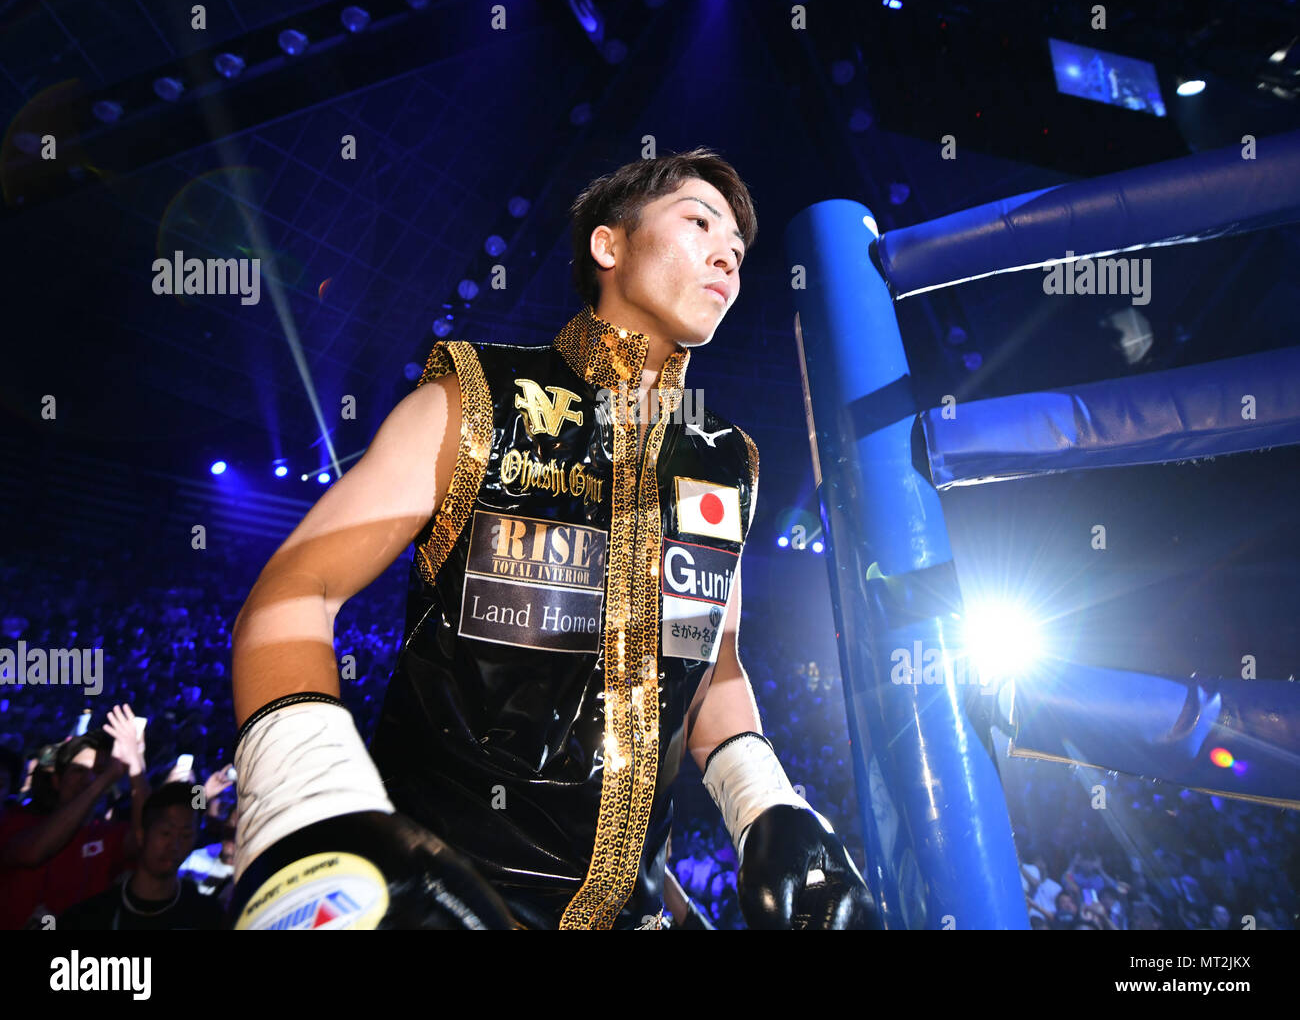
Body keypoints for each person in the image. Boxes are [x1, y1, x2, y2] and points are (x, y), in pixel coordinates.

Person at [228, 147, 879, 930]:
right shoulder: (476, 399)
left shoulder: (725, 462)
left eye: (738, 249)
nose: (727, 257)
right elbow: (295, 589)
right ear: (610, 245)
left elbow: (713, 665)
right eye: (700, 223)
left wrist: (764, 802)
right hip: (446, 902)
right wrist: (314, 808)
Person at [0, 705, 149, 929]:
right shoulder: (16, 820)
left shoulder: (107, 835)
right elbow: (33, 852)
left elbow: (146, 840)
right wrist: (106, 777)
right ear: (57, 780)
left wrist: (136, 765)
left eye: (98, 771)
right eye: (79, 770)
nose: (89, 779)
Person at [58, 782, 223, 930]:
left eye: (186, 836)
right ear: (141, 834)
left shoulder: (206, 916)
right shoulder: (89, 917)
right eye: (165, 833)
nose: (175, 845)